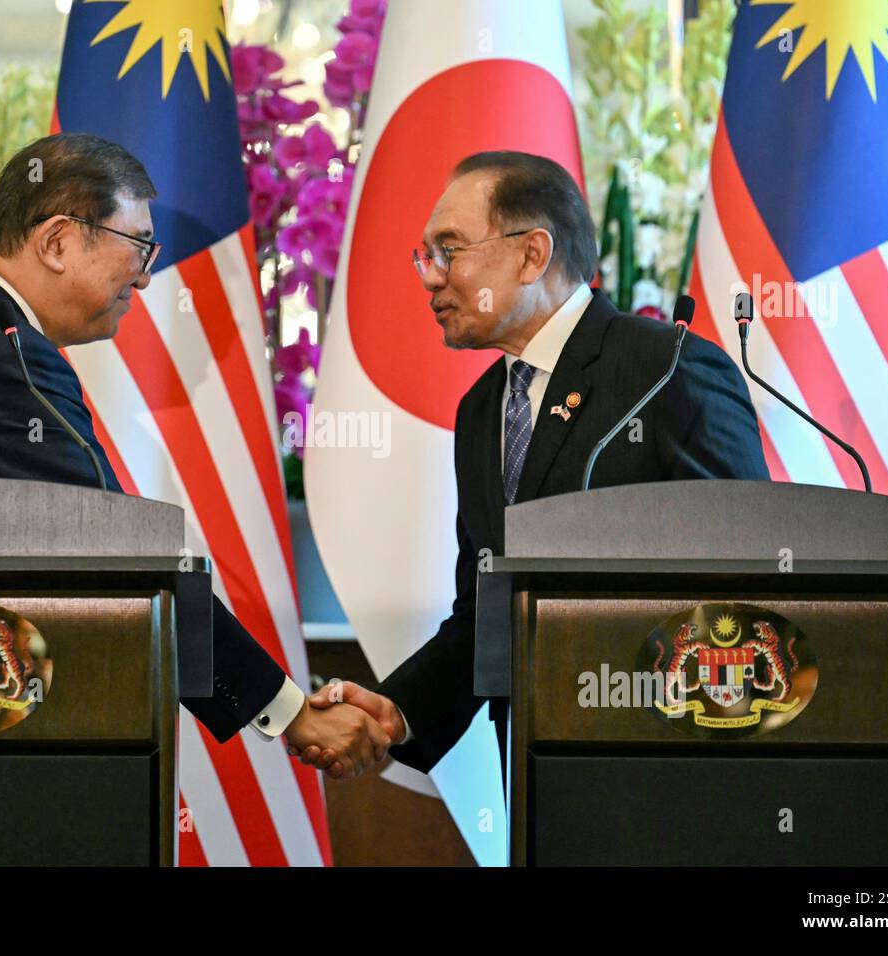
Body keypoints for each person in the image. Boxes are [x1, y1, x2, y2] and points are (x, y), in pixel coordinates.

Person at [0, 132, 388, 774]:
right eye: (138, 246)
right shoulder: (4, 359)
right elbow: (127, 561)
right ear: (57, 242)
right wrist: (290, 710)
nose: (149, 275)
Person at [298, 150, 769, 777]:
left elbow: (751, 578)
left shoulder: (665, 369)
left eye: (450, 249)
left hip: (674, 768)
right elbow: (488, 611)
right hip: (536, 774)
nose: (430, 278)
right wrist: (395, 711)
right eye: (427, 256)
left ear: (531, 254)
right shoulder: (483, 408)